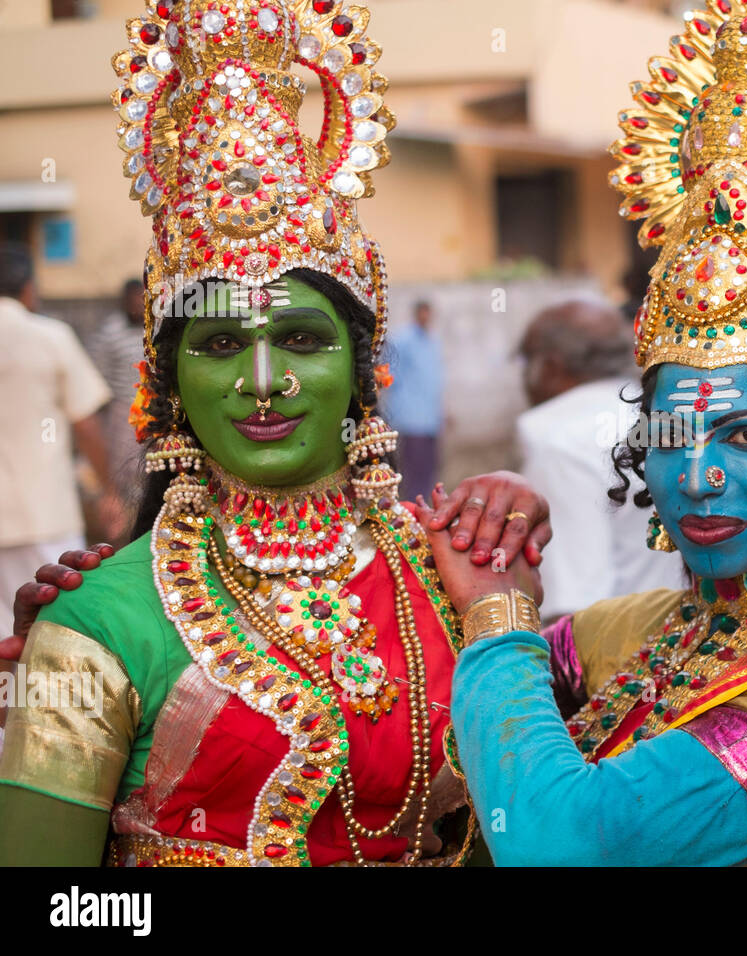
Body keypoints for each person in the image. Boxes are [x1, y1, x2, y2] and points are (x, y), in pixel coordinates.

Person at [0, 1, 550, 866]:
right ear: (170, 381)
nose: (264, 382)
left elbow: (544, 820)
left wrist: (504, 600)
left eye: (300, 338)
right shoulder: (98, 620)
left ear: (362, 370)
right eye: (222, 345)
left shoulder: (459, 571)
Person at [424, 9, 747, 865]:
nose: (698, 477)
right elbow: (415, 710)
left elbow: (563, 843)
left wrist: (502, 606)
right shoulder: (635, 630)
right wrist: (479, 536)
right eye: (670, 434)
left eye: (745, 436)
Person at [516, 298, 683, 620]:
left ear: (550, 367)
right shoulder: (662, 420)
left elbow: (572, 605)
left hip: (614, 657)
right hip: (679, 639)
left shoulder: (560, 442)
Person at [0, 242, 122, 628]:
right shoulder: (50, 336)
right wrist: (109, 490)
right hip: (44, 514)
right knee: (52, 631)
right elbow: (85, 421)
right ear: (28, 288)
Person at [86, 277, 149, 528]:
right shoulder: (109, 332)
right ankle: (120, 521)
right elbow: (95, 372)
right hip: (122, 409)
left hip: (153, 408)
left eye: (141, 299)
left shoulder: (155, 328)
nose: (136, 304)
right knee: (124, 469)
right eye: (131, 299)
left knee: (149, 467)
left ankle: (145, 519)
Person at [383, 300, 444, 499]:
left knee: (429, 470)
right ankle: (411, 510)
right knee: (412, 470)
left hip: (430, 419)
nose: (426, 317)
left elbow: (432, 380)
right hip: (411, 418)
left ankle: (424, 508)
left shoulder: (432, 341)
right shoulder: (404, 340)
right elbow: (389, 373)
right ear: (417, 313)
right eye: (423, 313)